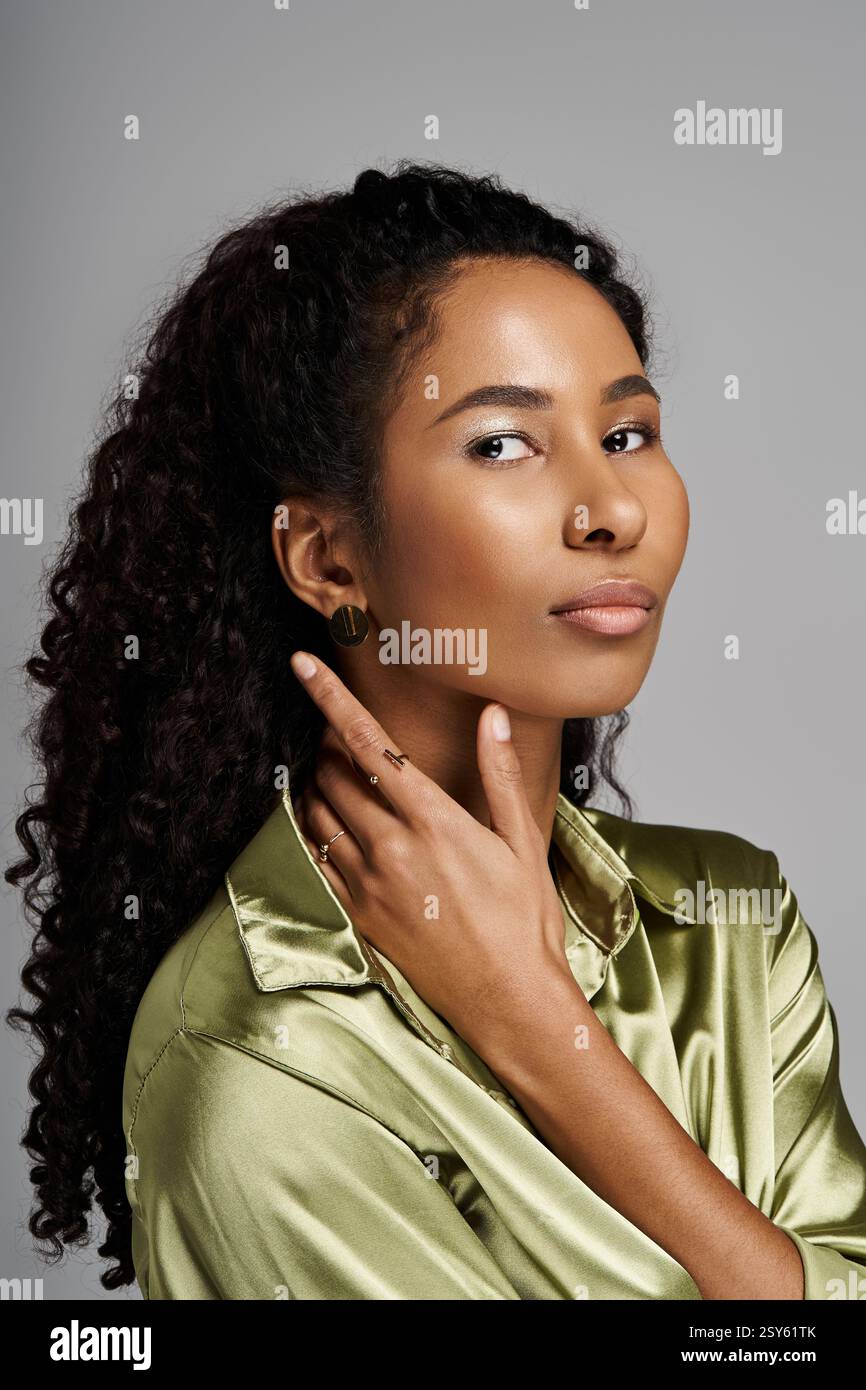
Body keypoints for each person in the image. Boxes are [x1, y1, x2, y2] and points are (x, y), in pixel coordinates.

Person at [8, 161, 866, 1300]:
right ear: (325, 558)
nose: (612, 510)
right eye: (502, 443)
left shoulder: (726, 924)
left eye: (625, 433)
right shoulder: (256, 1060)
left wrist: (542, 1027)